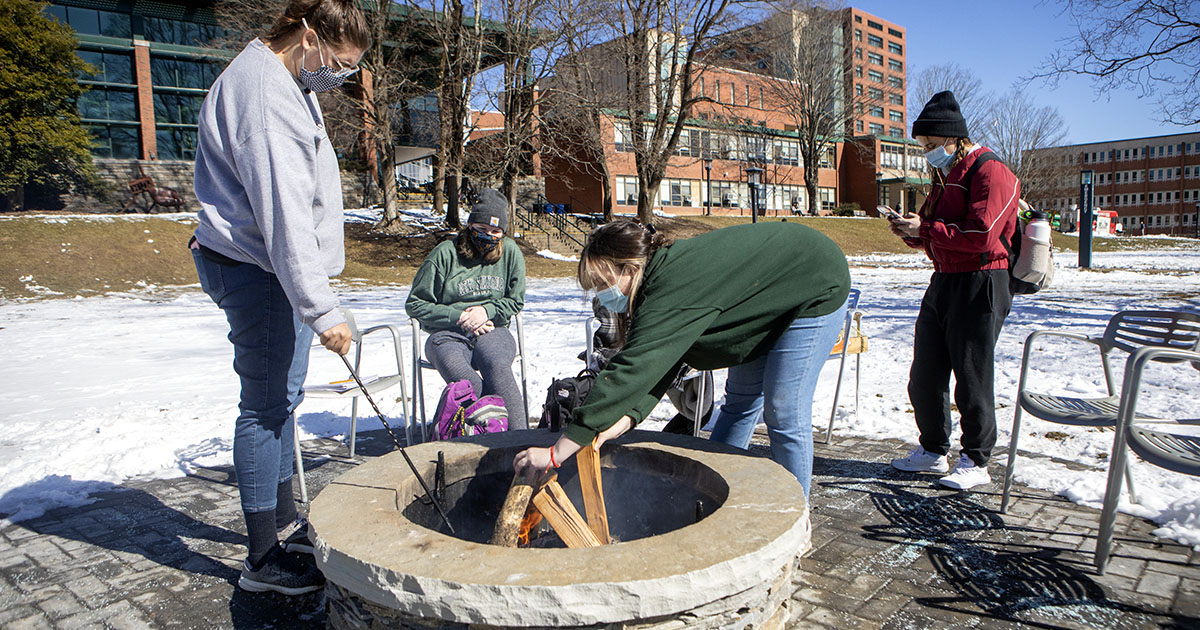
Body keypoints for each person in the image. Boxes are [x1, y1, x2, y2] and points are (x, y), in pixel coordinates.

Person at [189, 0, 369, 595]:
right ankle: (263, 562)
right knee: (267, 407)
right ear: (309, 36)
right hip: (260, 270)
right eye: (339, 64)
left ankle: (284, 525)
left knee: (282, 401)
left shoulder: (282, 76)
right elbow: (284, 216)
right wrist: (321, 310)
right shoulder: (266, 98)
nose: (340, 79)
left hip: (267, 268)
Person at [512, 220, 850, 498]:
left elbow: (634, 370)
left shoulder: (671, 288)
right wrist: (625, 419)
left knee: (783, 408)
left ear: (629, 269)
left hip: (813, 281)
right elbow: (663, 363)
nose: (600, 293)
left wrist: (557, 452)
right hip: (768, 292)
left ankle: (794, 516)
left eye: (602, 282)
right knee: (741, 403)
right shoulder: (657, 283)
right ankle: (714, 497)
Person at [887, 90, 1020, 490]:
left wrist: (925, 230)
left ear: (954, 138)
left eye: (930, 145)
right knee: (925, 372)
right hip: (944, 278)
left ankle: (977, 460)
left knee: (971, 373)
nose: (927, 152)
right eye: (923, 146)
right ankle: (932, 450)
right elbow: (941, 231)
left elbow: (980, 234)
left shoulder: (991, 171)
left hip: (981, 280)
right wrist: (913, 231)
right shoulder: (947, 172)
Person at [406, 189, 527, 428]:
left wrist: (486, 311)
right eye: (481, 230)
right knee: (461, 375)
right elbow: (415, 304)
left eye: (495, 232)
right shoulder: (444, 254)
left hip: (492, 329)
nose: (488, 236)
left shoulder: (511, 252)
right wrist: (458, 316)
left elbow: (515, 301)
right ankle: (493, 429)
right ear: (470, 225)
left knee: (497, 366)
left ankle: (522, 442)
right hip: (446, 334)